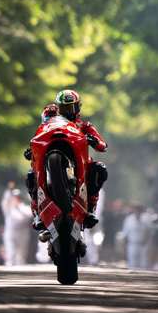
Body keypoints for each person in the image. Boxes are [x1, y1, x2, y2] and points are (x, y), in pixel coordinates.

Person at [25, 90, 108, 237]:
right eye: (64, 108)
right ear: (58, 108)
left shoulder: (84, 125)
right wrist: (31, 150)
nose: (68, 112)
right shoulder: (50, 123)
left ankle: (90, 208)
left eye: (71, 108)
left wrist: (95, 141)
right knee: (31, 175)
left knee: (99, 169)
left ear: (78, 107)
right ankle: (37, 213)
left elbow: (102, 145)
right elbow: (38, 136)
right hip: (52, 152)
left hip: (80, 162)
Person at [120, 204, 151, 269]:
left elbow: (149, 231)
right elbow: (125, 233)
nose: (137, 211)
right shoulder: (129, 219)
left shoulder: (146, 219)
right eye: (136, 210)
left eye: (139, 210)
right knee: (132, 263)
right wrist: (124, 245)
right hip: (132, 244)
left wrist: (147, 240)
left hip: (143, 244)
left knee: (143, 264)